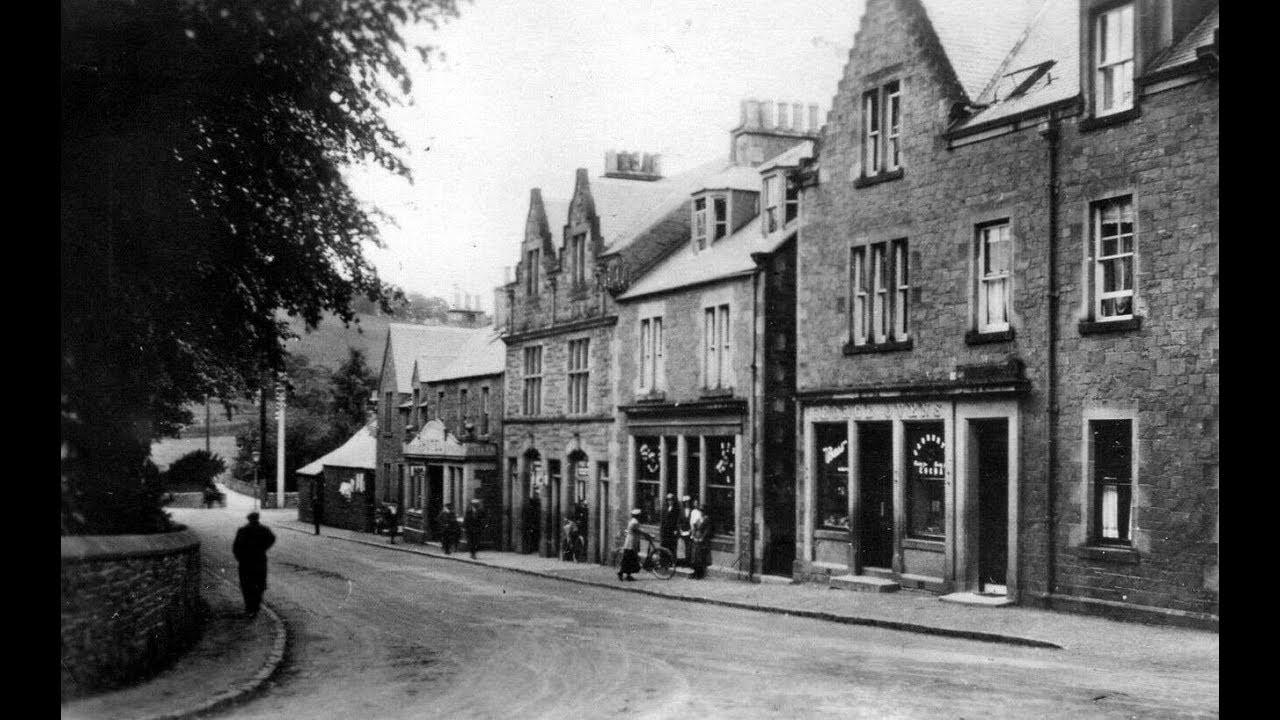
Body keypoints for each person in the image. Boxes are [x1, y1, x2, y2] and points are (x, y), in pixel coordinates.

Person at [232, 512, 277, 616]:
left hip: (246, 562)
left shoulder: (243, 530)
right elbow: (272, 539)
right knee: (258, 584)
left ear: (249, 519)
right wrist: (263, 548)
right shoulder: (264, 529)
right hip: (259, 560)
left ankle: (249, 608)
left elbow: (235, 547)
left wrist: (240, 557)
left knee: (247, 585)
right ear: (257, 519)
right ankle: (255, 607)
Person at [618, 508, 650, 582]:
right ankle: (621, 573)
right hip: (631, 543)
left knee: (630, 559)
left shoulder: (632, 521)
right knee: (629, 559)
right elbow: (638, 530)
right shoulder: (635, 522)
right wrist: (646, 534)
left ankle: (627, 575)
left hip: (631, 542)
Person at [689, 501, 711, 579]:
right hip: (696, 538)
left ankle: (700, 573)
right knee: (694, 556)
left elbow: (707, 530)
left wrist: (703, 538)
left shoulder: (706, 519)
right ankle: (694, 572)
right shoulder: (699, 519)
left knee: (700, 557)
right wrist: (693, 534)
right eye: (700, 511)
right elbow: (695, 527)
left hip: (702, 541)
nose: (701, 512)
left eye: (702, 511)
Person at [659, 493, 681, 560]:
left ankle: (670, 560)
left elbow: (677, 520)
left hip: (671, 530)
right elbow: (662, 520)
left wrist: (676, 529)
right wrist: (661, 529)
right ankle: (663, 560)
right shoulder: (664, 509)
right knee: (664, 545)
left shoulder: (676, 509)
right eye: (668, 500)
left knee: (671, 546)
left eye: (671, 500)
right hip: (665, 530)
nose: (670, 502)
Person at [678, 495, 694, 566]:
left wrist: (691, 530)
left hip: (689, 531)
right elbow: (679, 521)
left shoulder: (692, 511)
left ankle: (688, 562)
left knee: (689, 547)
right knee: (682, 547)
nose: (687, 503)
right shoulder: (681, 511)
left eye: (688, 502)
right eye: (685, 502)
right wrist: (680, 529)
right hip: (683, 531)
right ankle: (683, 562)